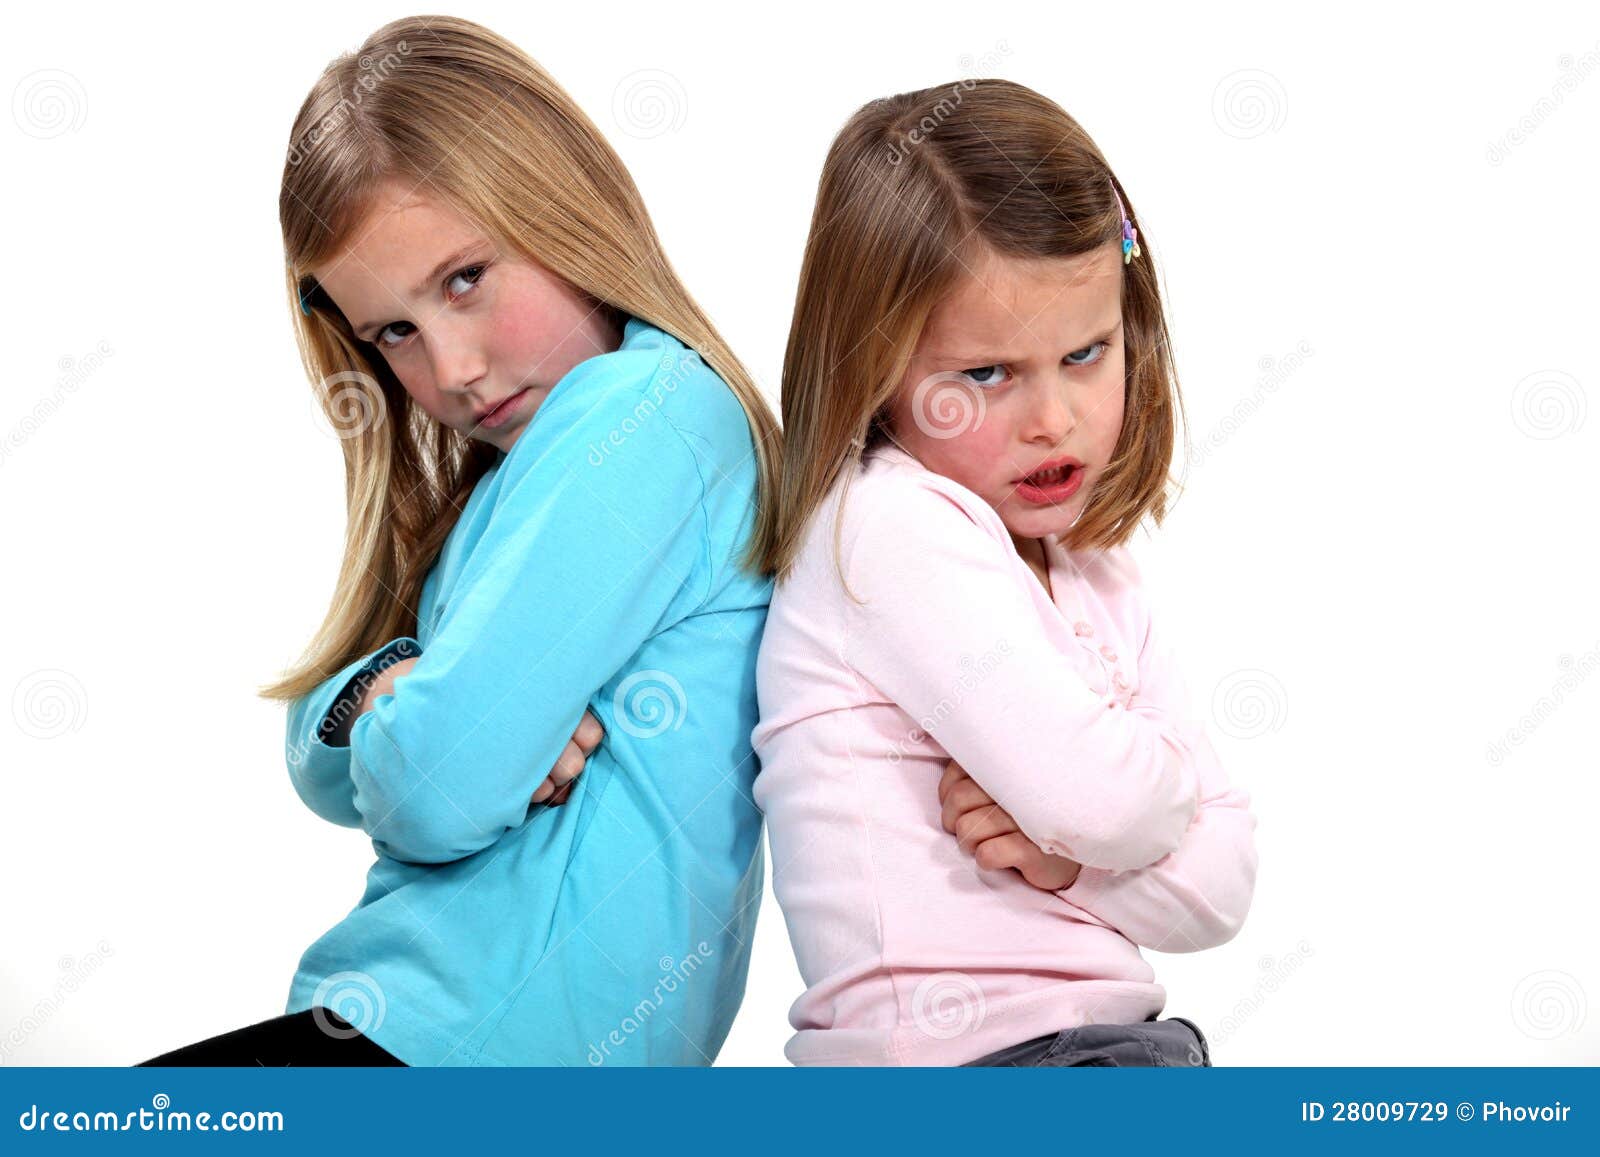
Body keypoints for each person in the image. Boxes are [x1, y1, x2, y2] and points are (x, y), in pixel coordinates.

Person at [140, 15, 780, 1067]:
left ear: (565, 206)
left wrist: (451, 725)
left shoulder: (649, 411)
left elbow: (431, 790)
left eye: (464, 279)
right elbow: (318, 747)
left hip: (459, 1054)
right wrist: (413, 684)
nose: (452, 371)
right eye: (392, 332)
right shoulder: (511, 479)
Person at [750, 78, 1258, 1067]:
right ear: (872, 365)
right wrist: (1126, 800)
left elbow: (1226, 883)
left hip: (1107, 1047)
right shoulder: (885, 525)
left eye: (1085, 352)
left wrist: (1068, 858)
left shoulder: (1098, 575)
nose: (1053, 418)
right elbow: (1119, 804)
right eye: (986, 373)